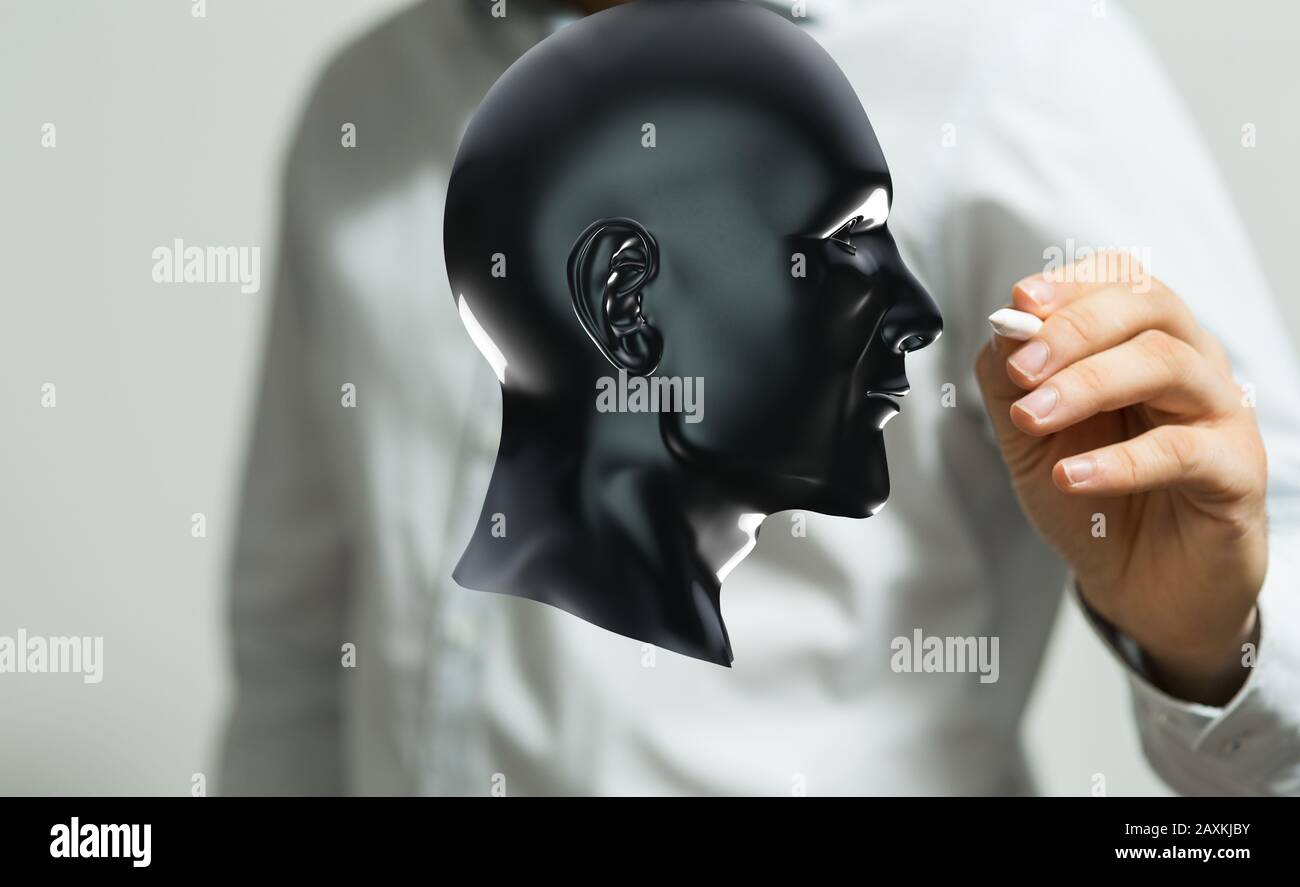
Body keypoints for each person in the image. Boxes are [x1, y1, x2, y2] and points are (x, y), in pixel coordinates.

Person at [220, 0, 1300, 795]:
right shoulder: (361, 111)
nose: (916, 315)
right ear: (625, 303)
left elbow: (1265, 543)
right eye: (842, 247)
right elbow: (296, 652)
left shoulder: (1019, 59)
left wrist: (1209, 636)